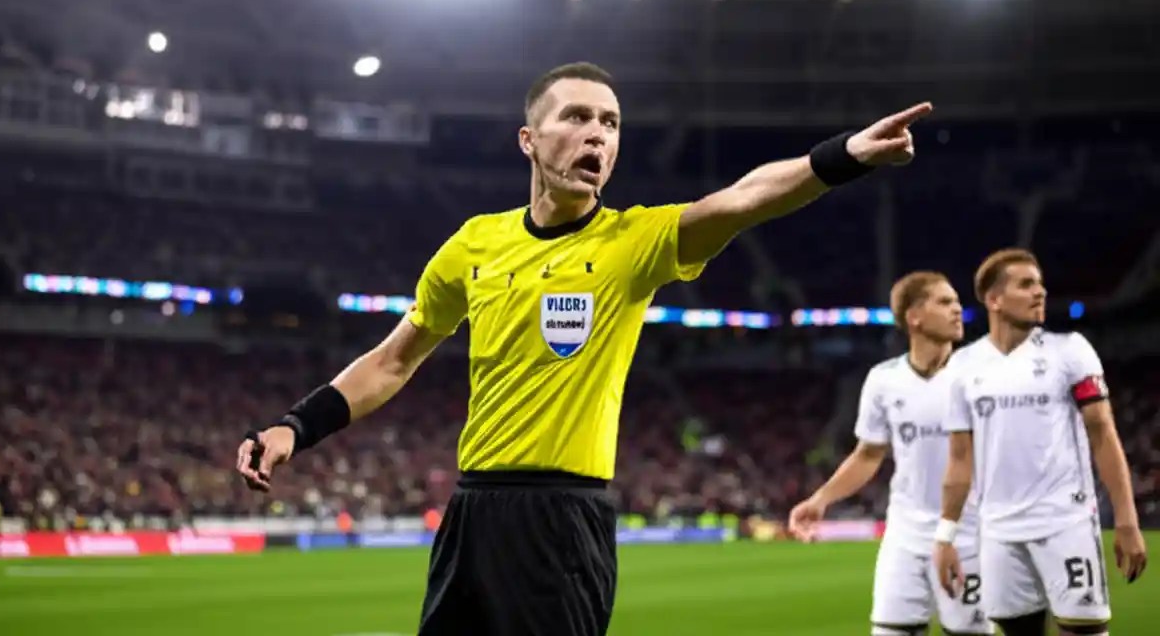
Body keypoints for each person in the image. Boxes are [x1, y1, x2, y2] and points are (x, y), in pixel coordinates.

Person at [236, 61, 933, 635]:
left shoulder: (634, 242)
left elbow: (742, 199)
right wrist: (295, 427)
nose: (596, 133)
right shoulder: (474, 243)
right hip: (473, 513)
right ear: (528, 140)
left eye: (610, 123)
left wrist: (841, 157)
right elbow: (393, 360)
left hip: (562, 518)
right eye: (576, 117)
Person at [935, 248, 1148, 636]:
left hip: (1065, 523)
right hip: (998, 531)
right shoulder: (963, 367)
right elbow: (959, 460)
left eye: (1041, 284)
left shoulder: (1070, 351)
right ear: (994, 299)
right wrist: (945, 538)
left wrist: (1127, 520)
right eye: (1026, 284)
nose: (1040, 292)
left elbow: (1103, 434)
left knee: (1084, 631)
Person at [788, 271, 992, 636]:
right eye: (945, 302)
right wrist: (821, 499)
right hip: (904, 536)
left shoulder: (981, 376)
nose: (958, 310)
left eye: (958, 302)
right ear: (914, 316)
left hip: (968, 536)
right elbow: (868, 455)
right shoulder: (884, 380)